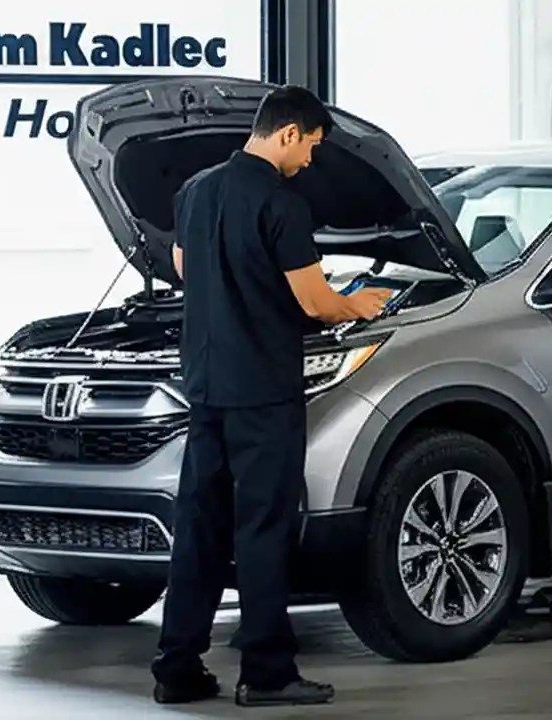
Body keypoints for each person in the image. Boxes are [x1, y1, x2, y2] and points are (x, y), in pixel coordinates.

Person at [150, 85, 392, 708]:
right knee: (262, 529)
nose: (310, 160)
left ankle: (176, 669)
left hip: (204, 389)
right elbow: (315, 302)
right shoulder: (282, 205)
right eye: (311, 146)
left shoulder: (198, 191)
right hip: (262, 390)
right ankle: (266, 673)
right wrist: (357, 303)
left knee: (199, 526)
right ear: (288, 134)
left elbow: (183, 266)